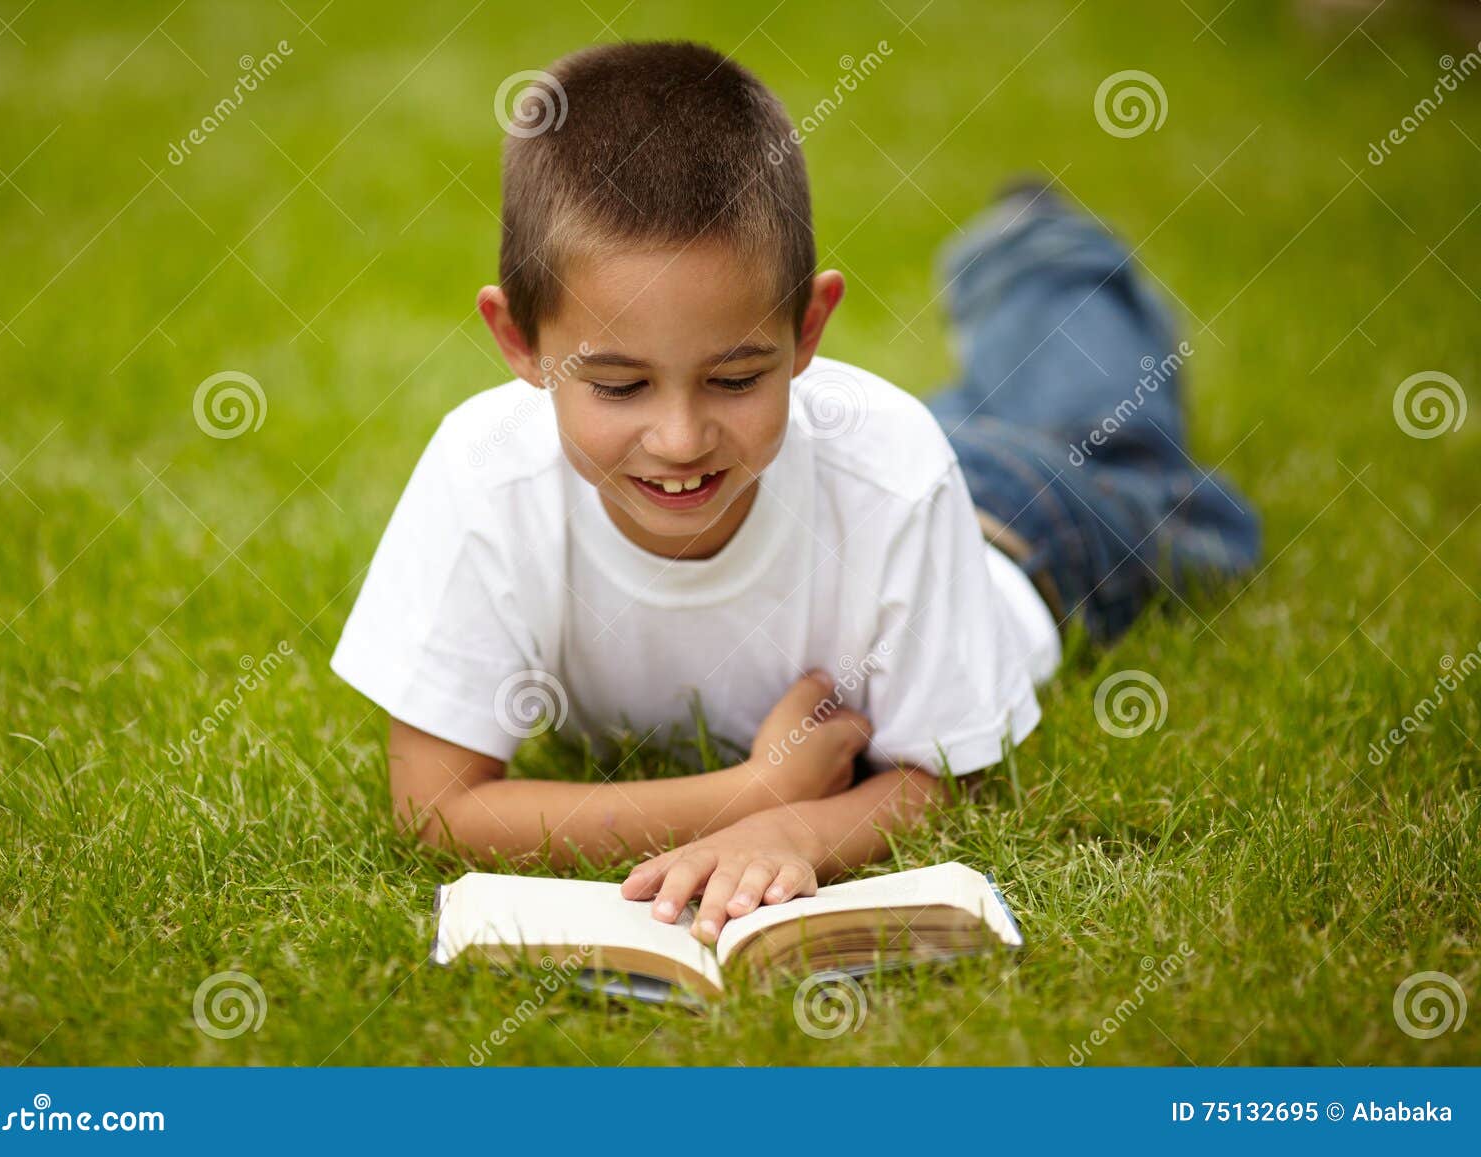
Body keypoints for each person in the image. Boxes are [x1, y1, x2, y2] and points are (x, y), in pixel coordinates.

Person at [329, 40, 1259, 946]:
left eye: (735, 377)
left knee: (1133, 456)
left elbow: (947, 775)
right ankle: (1020, 276)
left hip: (1020, 531)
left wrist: (805, 832)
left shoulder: (896, 474)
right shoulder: (486, 474)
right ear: (521, 344)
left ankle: (1040, 255)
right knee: (991, 410)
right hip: (851, 456)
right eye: (619, 386)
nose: (681, 439)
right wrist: (751, 796)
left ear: (810, 328)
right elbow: (437, 807)